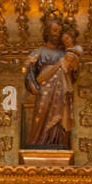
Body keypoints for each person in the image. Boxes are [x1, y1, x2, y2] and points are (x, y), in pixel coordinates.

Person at [23, 18, 80, 149]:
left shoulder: (63, 52)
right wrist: (32, 85)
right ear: (47, 31)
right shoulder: (39, 51)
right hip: (44, 89)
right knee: (41, 115)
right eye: (54, 30)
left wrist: (74, 67)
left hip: (61, 89)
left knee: (60, 117)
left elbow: (73, 73)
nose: (57, 34)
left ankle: (57, 142)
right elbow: (29, 71)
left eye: (59, 32)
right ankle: (38, 142)